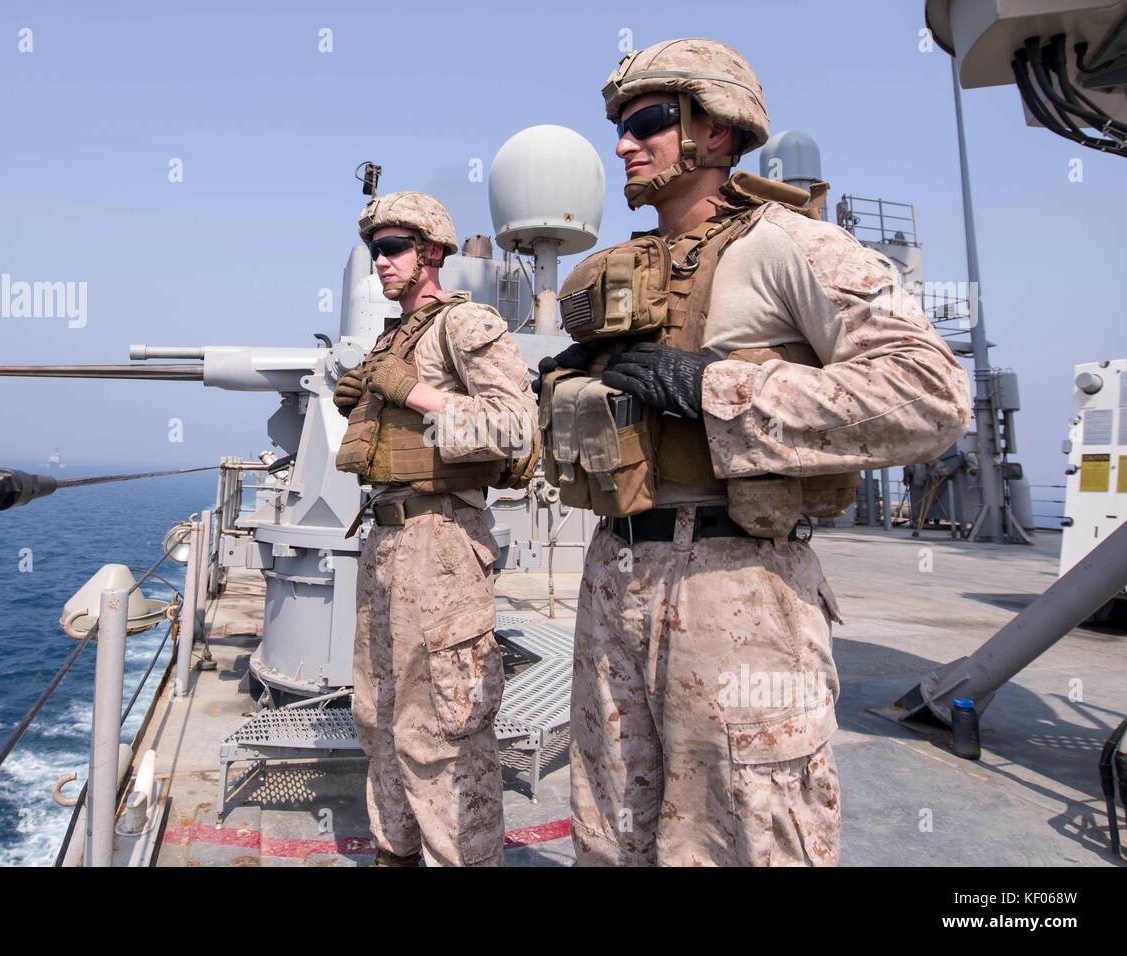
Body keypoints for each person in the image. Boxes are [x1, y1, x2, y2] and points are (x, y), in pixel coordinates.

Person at [538, 39, 971, 866]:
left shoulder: (792, 246)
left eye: (648, 123)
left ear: (718, 128)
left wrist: (716, 388)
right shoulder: (624, 273)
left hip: (737, 586)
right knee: (606, 826)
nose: (623, 144)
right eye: (619, 129)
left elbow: (930, 396)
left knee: (746, 831)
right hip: (615, 573)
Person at [334, 191, 539, 866]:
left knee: (445, 728)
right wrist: (367, 393)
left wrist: (411, 390)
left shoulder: (465, 325)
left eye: (394, 249)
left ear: (430, 253)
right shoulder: (393, 338)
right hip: (386, 541)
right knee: (379, 716)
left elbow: (514, 429)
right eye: (376, 251)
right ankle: (395, 850)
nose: (382, 263)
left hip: (442, 544)